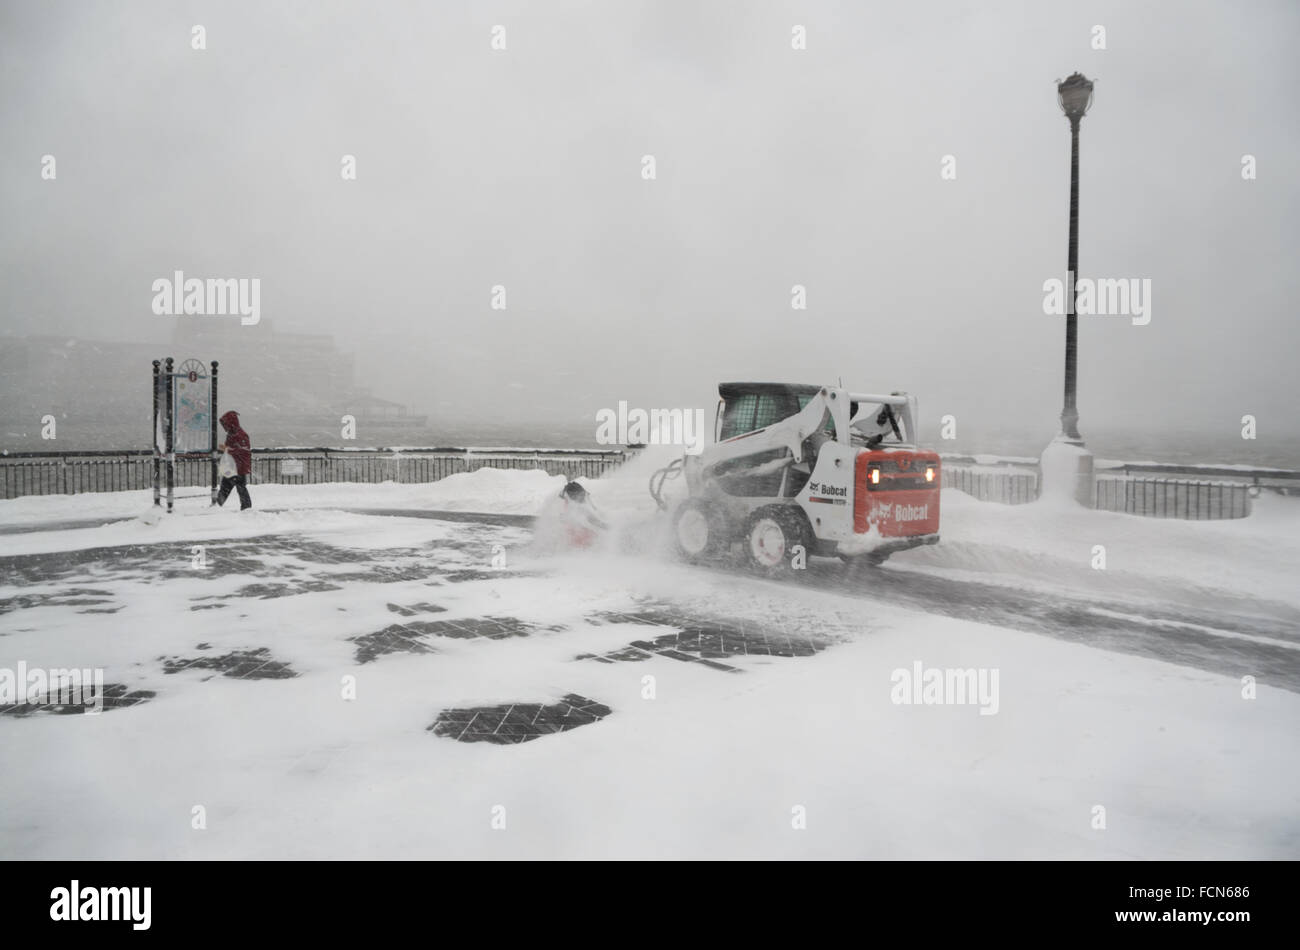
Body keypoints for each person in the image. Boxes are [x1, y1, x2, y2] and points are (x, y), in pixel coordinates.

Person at [216, 410, 253, 510]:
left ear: (231, 423)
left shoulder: (240, 435)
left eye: (225, 424)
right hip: (234, 466)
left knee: (232, 487)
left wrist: (226, 449)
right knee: (234, 487)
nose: (225, 427)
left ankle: (219, 505)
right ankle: (246, 507)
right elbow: (239, 450)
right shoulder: (234, 434)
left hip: (238, 467)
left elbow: (242, 451)